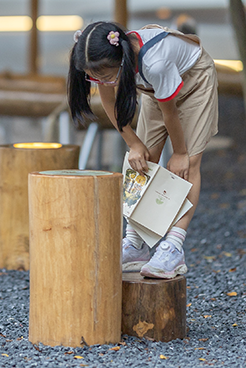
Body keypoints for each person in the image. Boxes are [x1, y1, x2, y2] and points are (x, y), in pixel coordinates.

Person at [67, 21, 219, 280]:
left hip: (194, 80)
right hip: (157, 88)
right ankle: (135, 243)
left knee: (189, 165)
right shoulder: (102, 60)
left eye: (105, 76)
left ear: (121, 58)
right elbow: (108, 100)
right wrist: (134, 144)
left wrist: (180, 153)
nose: (101, 81)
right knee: (141, 161)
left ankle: (173, 247)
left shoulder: (154, 63)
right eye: (95, 77)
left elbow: (169, 112)